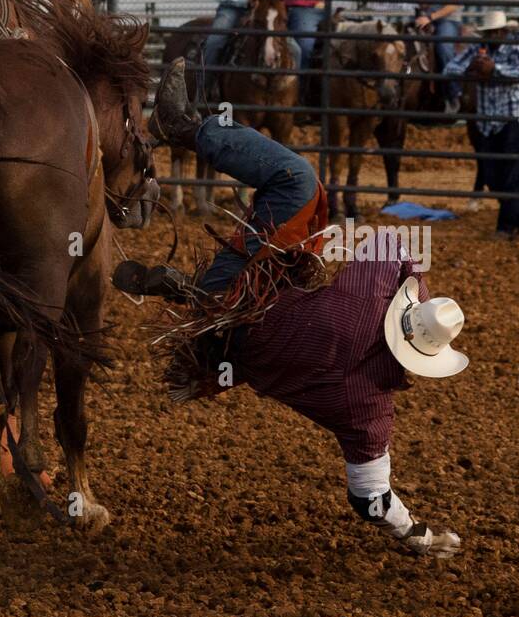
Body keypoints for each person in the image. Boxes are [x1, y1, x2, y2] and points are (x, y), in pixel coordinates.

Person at [111, 59, 465, 558]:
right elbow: (370, 500)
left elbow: (390, 242)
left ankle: (185, 128)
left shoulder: (367, 300)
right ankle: (184, 291)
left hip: (240, 292)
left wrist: (417, 285)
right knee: (302, 232)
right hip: (216, 350)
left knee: (299, 181)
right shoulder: (367, 413)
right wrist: (415, 533)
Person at [443, 10, 519, 237]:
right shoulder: (477, 51)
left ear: (503, 32)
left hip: (513, 117)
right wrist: (470, 70)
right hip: (488, 121)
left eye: (495, 32)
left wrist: (495, 70)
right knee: (492, 175)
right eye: (489, 32)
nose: (492, 35)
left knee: (511, 173)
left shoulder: (516, 50)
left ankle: (505, 227)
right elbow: (450, 68)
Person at [410, 0, 467, 112]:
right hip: (430, 17)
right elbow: (425, 3)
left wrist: (430, 17)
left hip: (448, 19)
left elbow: (454, 3)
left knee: (443, 47)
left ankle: (453, 94)